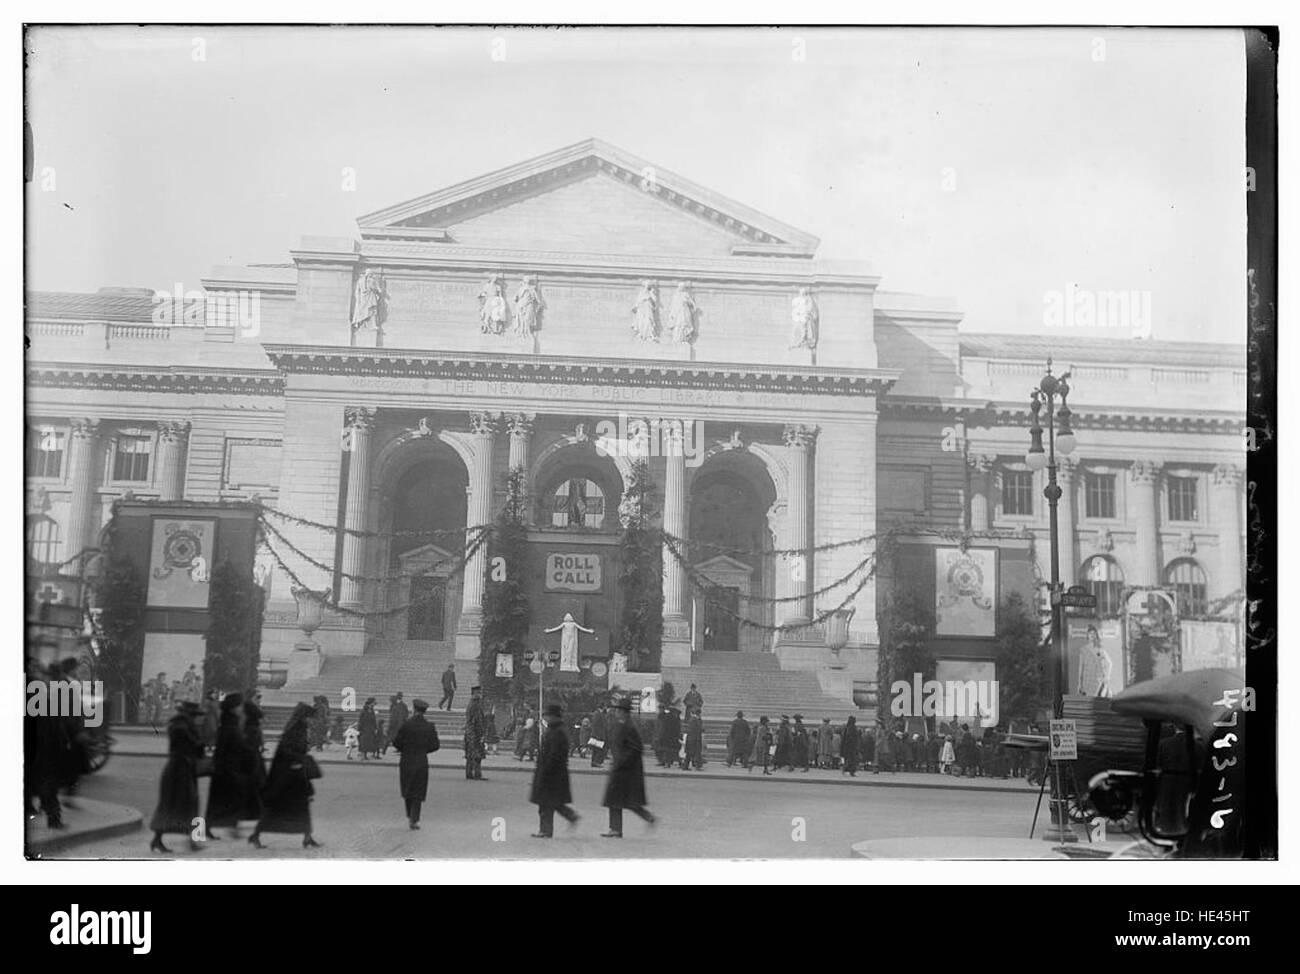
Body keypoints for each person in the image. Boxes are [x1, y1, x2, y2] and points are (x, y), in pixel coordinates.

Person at [250, 703, 321, 849]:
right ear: (304, 717)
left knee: (301, 807)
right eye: (310, 718)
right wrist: (298, 760)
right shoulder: (295, 729)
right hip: (288, 775)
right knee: (277, 808)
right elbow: (286, 750)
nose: (312, 721)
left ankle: (307, 837)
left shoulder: (299, 728)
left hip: (295, 774)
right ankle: (256, 834)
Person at [149, 700, 205, 853]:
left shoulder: (180, 726)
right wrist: (200, 738)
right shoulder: (183, 728)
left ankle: (157, 839)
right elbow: (196, 746)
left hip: (179, 769)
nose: (197, 718)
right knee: (188, 804)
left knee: (171, 805)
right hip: (180, 770)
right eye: (195, 715)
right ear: (189, 715)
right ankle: (193, 841)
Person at [205, 692, 258, 839]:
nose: (242, 709)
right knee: (225, 801)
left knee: (224, 801)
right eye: (239, 706)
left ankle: (229, 828)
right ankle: (204, 831)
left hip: (228, 769)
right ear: (233, 708)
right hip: (228, 770)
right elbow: (236, 746)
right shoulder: (230, 726)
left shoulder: (230, 723)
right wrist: (250, 750)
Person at [601, 698, 656, 838]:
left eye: (618, 710)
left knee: (619, 800)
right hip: (622, 769)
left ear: (624, 712)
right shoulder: (622, 724)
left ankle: (616, 829)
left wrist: (621, 760)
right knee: (622, 800)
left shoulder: (629, 727)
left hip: (626, 771)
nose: (616, 712)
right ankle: (617, 828)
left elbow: (637, 748)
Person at [530, 703, 580, 838]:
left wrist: (545, 772)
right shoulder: (555, 730)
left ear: (554, 716)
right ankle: (571, 816)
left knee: (546, 803)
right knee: (552, 802)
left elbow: (555, 755)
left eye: (547, 715)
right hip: (553, 773)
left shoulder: (557, 732)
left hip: (551, 774)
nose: (545, 717)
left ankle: (546, 830)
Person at [391, 698, 441, 829]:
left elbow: (396, 742)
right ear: (424, 711)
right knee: (418, 791)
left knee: (408, 789)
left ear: (414, 709)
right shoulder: (429, 726)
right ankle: (414, 818)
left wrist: (405, 749)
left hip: (407, 761)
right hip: (421, 761)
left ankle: (410, 815)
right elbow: (435, 745)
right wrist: (423, 750)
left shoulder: (406, 725)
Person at [463, 686, 487, 780]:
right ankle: (476, 774)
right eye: (478, 693)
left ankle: (470, 773)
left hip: (472, 732)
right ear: (474, 694)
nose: (480, 695)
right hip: (474, 732)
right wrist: (480, 733)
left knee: (471, 754)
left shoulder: (474, 703)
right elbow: (477, 720)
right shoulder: (475, 704)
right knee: (476, 755)